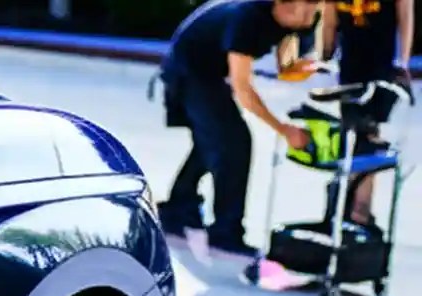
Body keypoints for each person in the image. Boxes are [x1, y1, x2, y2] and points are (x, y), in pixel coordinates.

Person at [158, 0, 321, 260]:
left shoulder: (293, 19)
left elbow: (286, 61)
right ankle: (225, 231)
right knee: (235, 143)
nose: (309, 17)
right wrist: (283, 130)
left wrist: (301, 68)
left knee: (211, 141)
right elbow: (243, 89)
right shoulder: (246, 19)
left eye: (314, 10)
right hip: (190, 72)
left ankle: (178, 207)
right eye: (304, 9)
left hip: (208, 72)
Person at [320, 0, 414, 227]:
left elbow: (405, 16)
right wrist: (325, 52)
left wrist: (402, 62)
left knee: (368, 135)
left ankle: (359, 208)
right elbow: (328, 18)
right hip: (350, 63)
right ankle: (346, 203)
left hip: (380, 63)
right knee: (350, 132)